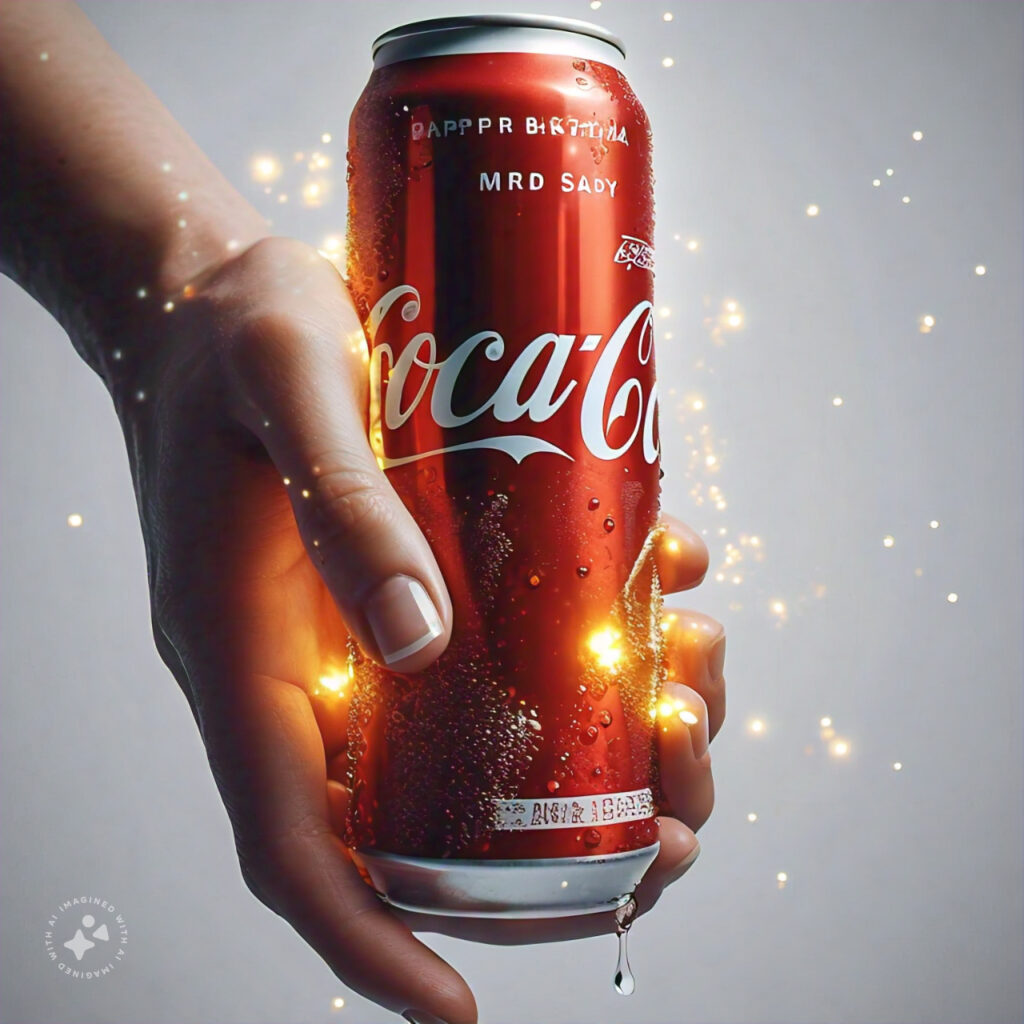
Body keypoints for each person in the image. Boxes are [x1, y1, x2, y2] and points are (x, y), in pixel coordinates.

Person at [0, 4, 727, 1023]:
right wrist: (187, 287)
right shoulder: (417, 102)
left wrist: (189, 288)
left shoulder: (594, 106)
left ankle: (574, 805)